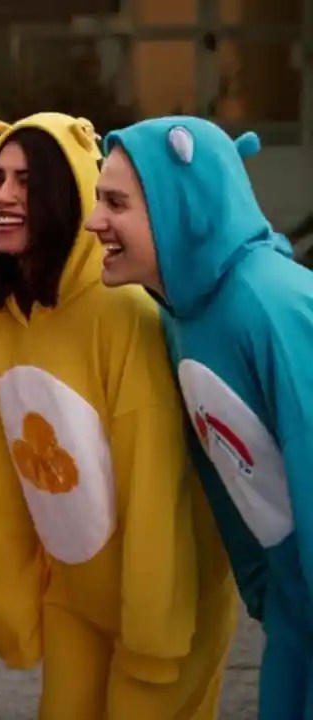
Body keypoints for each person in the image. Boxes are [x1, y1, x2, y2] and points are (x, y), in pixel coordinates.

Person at [0, 112, 236, 718]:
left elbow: (156, 484)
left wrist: (155, 635)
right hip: (75, 596)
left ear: (69, 194)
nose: (2, 196)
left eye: (27, 182)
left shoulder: (126, 314)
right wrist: (3, 593)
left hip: (167, 609)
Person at [90, 116, 309, 719]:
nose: (93, 221)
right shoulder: (181, 313)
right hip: (295, 616)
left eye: (116, 203)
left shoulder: (268, 304)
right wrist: (271, 594)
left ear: (177, 204)